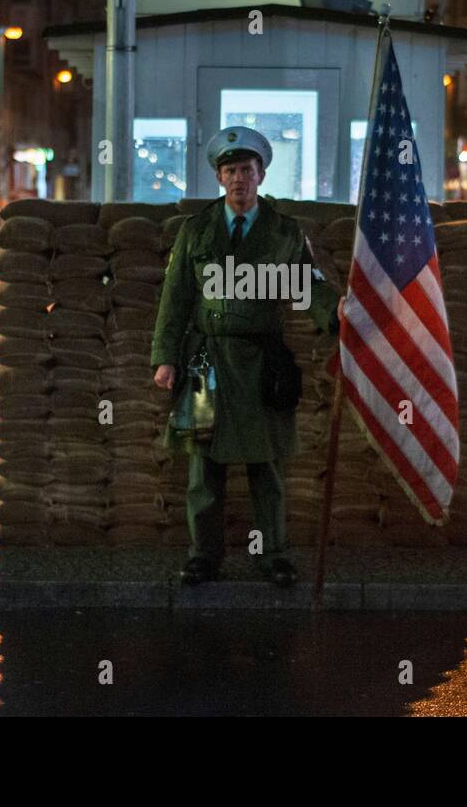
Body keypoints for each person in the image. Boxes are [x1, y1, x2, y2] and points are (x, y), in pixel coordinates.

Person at [151, 127, 340, 588]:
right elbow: (174, 299)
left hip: (261, 363)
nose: (239, 179)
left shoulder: (283, 232)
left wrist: (335, 313)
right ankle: (203, 557)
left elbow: (307, 285)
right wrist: (166, 357)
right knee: (205, 469)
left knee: (267, 468)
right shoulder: (196, 231)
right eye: (231, 170)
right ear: (220, 177)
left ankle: (273, 555)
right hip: (208, 363)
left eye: (247, 170)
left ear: (261, 175)